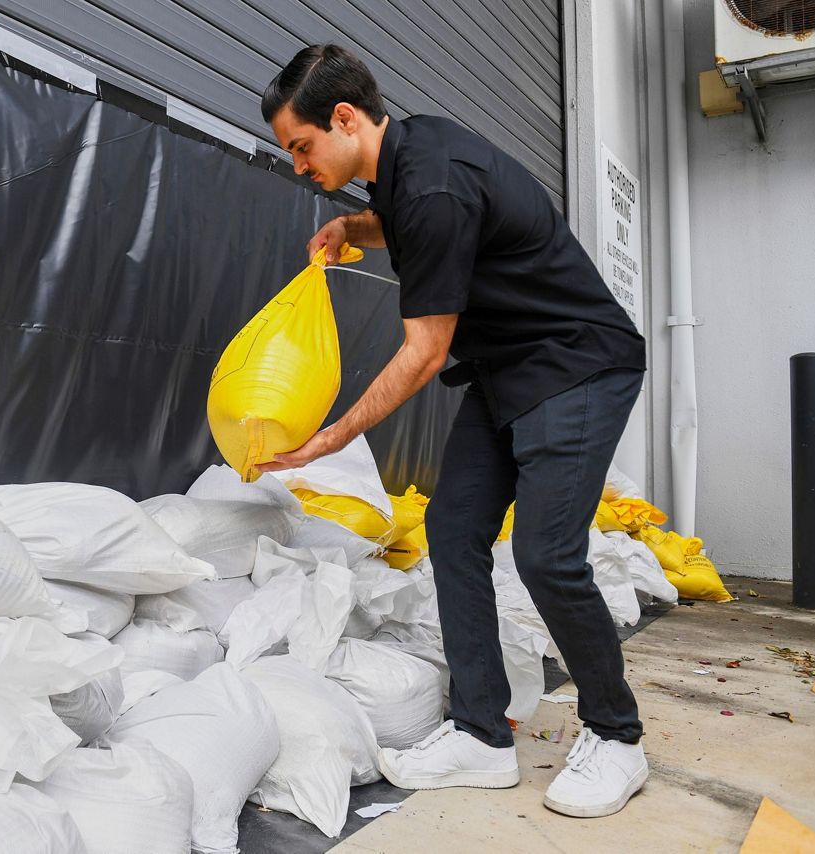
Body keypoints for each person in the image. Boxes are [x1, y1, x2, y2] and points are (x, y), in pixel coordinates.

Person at [255, 44, 650, 818]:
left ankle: (618, 735)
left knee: (547, 555)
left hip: (578, 364)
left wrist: (332, 438)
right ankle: (481, 734)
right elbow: (399, 221)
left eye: (302, 147)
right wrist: (352, 232)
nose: (299, 167)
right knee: (454, 525)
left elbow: (425, 351)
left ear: (343, 119)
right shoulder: (410, 157)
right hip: (510, 370)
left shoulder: (431, 181)